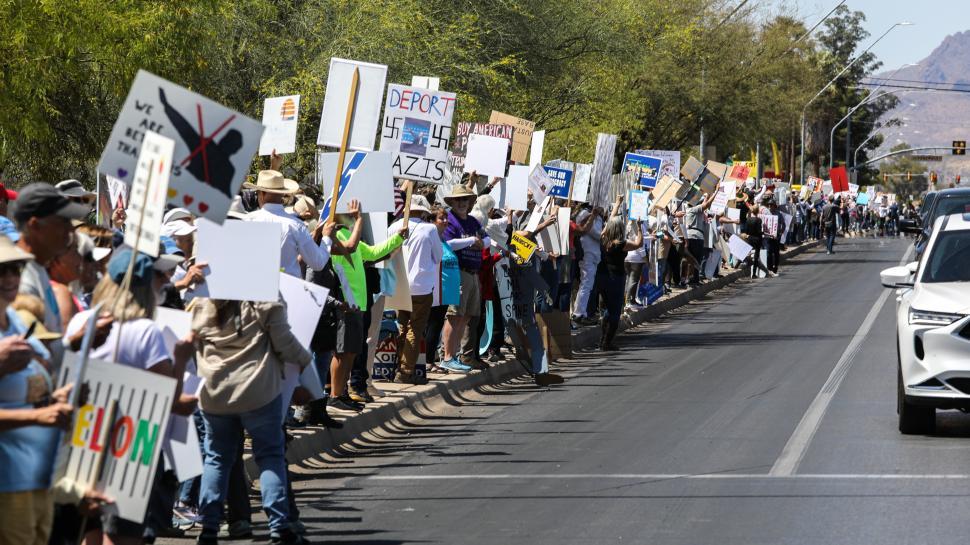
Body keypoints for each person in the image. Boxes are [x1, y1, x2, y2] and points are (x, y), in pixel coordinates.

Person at [64, 247, 196, 545]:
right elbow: (166, 399)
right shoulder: (146, 331)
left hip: (83, 439)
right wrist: (180, 358)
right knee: (121, 537)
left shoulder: (79, 324)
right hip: (131, 446)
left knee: (88, 535)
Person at [191, 294, 312, 545]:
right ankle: (279, 526)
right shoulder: (265, 299)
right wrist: (306, 363)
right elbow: (285, 343)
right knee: (269, 456)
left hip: (215, 392)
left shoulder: (202, 302)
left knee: (216, 459)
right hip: (257, 391)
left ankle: (209, 527)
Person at [0, 235, 74, 545]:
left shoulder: (17, 320)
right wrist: (41, 416)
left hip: (37, 477)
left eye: (14, 270)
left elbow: (33, 397)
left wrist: (54, 399)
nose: (9, 278)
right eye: (0, 271)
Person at [328, 203, 406, 411]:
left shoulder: (346, 232)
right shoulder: (335, 236)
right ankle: (336, 393)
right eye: (350, 213)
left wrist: (398, 237)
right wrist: (360, 220)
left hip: (358, 303)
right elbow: (351, 248)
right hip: (345, 302)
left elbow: (372, 253)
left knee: (351, 351)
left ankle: (341, 391)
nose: (353, 216)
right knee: (342, 352)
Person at [14, 183, 92, 368]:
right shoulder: (19, 280)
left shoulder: (37, 270)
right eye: (62, 221)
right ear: (34, 225)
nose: (71, 230)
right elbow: (29, 359)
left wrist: (75, 342)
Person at [388, 194, 441, 384]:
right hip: (421, 286)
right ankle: (405, 370)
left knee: (402, 326)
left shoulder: (394, 227)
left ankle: (400, 366)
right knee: (414, 328)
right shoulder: (429, 229)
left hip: (399, 283)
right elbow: (438, 256)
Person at [244, 171, 334, 278]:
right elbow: (317, 263)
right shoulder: (296, 226)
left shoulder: (246, 221)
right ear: (282, 193)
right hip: (287, 291)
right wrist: (327, 237)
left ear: (262, 194)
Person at [440, 185, 484, 373]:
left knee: (465, 316)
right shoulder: (450, 220)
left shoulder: (473, 221)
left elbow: (487, 240)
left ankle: (455, 354)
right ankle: (447, 356)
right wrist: (472, 241)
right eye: (458, 199)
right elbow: (448, 244)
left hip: (473, 273)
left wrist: (477, 242)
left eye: (465, 199)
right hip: (457, 272)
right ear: (452, 202)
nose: (462, 203)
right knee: (454, 315)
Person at [597, 216, 643, 351]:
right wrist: (639, 227)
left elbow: (605, 230)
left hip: (602, 277)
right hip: (616, 278)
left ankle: (602, 340)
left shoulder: (602, 240)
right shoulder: (621, 244)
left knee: (607, 309)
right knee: (615, 311)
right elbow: (638, 243)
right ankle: (607, 342)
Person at [571, 204, 604, 325]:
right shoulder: (584, 213)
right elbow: (594, 232)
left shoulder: (597, 215)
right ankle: (578, 314)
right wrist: (605, 236)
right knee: (586, 284)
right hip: (587, 253)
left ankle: (582, 312)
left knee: (588, 285)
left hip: (594, 254)